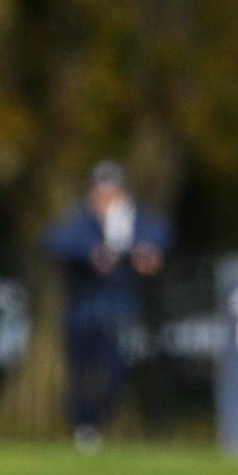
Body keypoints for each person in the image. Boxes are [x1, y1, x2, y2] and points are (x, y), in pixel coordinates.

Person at [42, 161, 172, 450]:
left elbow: (160, 237)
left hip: (121, 311)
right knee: (80, 371)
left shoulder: (140, 221)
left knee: (116, 369)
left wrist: (148, 253)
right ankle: (83, 424)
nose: (106, 198)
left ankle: (98, 420)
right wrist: (91, 253)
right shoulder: (79, 221)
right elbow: (55, 241)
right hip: (82, 309)